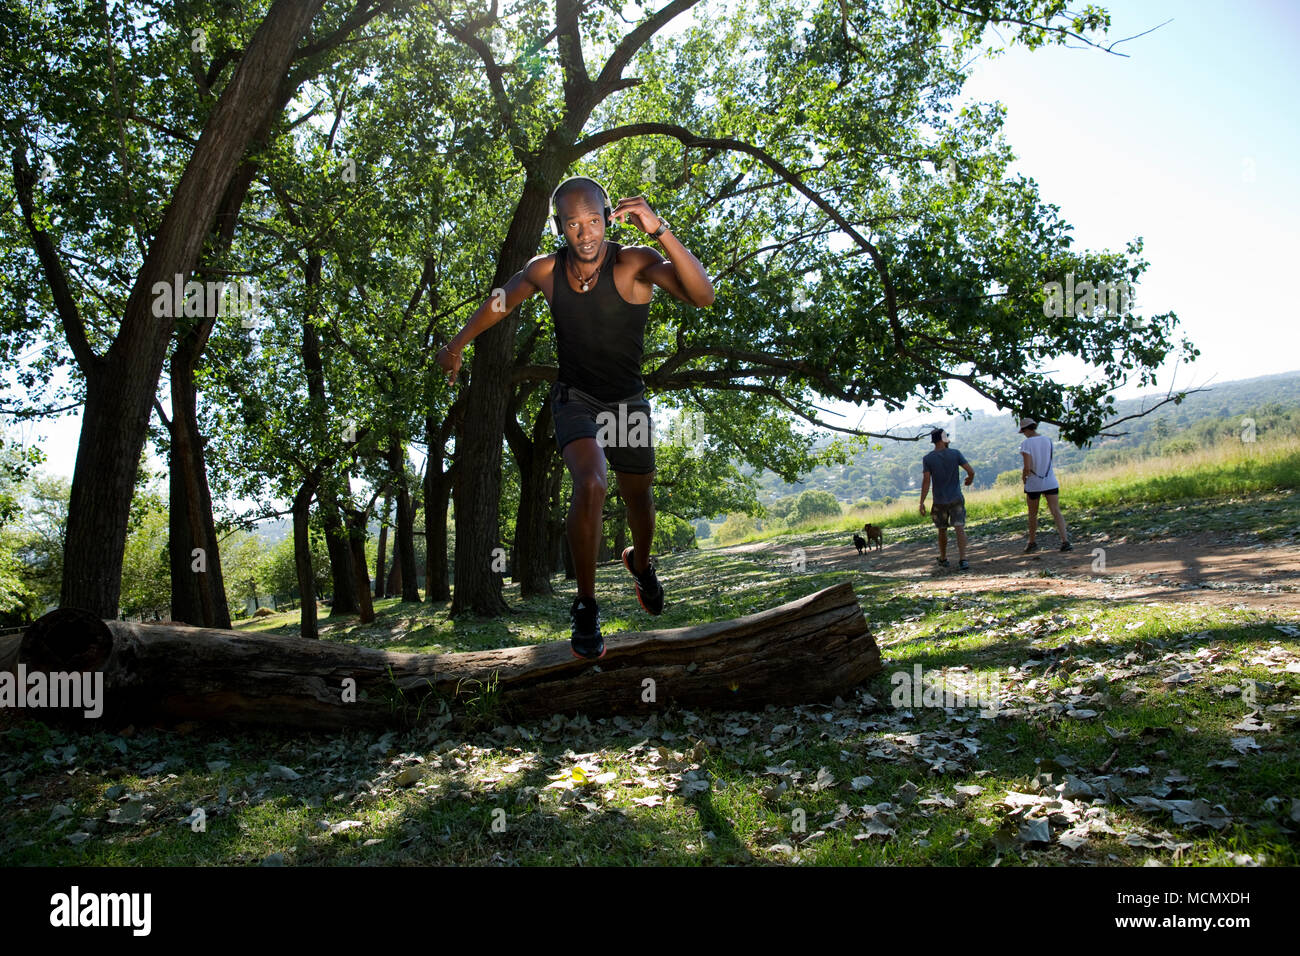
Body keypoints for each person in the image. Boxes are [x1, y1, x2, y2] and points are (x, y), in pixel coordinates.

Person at [435, 176, 715, 659]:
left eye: (592, 221)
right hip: (575, 398)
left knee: (638, 496)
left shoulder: (634, 263)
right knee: (590, 484)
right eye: (572, 224)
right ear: (559, 227)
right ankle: (586, 606)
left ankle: (641, 565)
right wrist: (456, 345)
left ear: (608, 218)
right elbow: (500, 302)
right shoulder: (544, 271)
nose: (585, 233)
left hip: (627, 403)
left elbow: (703, 295)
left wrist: (660, 229)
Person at [919, 428, 974, 570]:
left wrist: (922, 502)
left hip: (939, 500)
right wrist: (969, 479)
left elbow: (926, 481)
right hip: (956, 497)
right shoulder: (955, 454)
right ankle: (963, 559)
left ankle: (943, 558)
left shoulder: (928, 458)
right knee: (959, 527)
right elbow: (970, 471)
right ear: (944, 439)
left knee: (942, 529)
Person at [1018, 417, 1072, 552]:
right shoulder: (1048, 440)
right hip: (1050, 480)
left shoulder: (1026, 443)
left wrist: (1024, 478)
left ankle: (1032, 542)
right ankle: (1065, 541)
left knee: (1032, 514)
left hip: (1034, 482)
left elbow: (1027, 466)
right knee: (1056, 511)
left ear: (1025, 430)